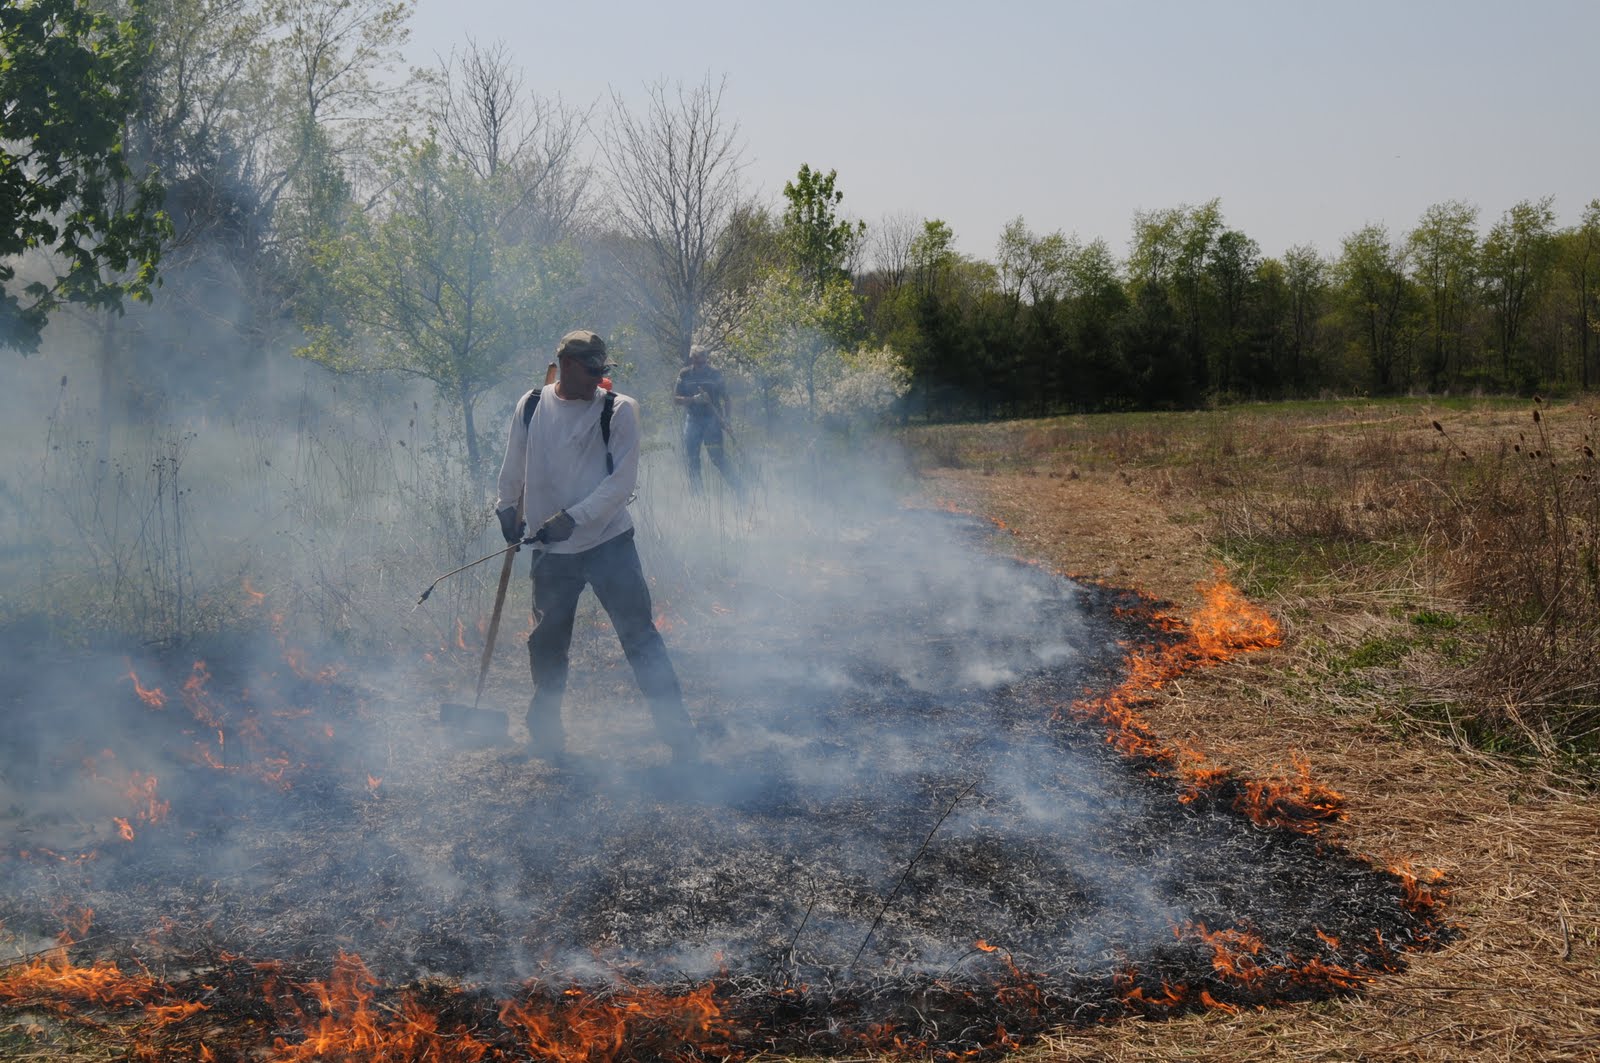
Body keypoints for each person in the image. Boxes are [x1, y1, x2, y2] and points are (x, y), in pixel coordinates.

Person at [494, 329, 699, 764]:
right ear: (566, 366)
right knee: (547, 646)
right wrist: (506, 506)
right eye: (591, 371)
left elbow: (621, 483)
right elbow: (515, 460)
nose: (599, 380)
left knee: (640, 637)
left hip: (609, 544)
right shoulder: (531, 405)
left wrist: (575, 517)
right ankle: (546, 732)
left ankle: (679, 734)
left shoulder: (619, 410)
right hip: (551, 552)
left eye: (603, 371)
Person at [673, 345, 741, 493]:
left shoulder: (715, 374)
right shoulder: (685, 374)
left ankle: (740, 490)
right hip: (693, 421)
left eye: (704, 362)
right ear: (693, 360)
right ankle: (699, 500)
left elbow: (727, 399)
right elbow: (676, 399)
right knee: (692, 461)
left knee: (718, 459)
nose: (701, 365)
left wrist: (727, 419)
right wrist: (693, 399)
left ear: (707, 359)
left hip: (713, 422)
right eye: (698, 363)